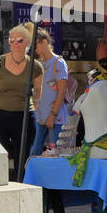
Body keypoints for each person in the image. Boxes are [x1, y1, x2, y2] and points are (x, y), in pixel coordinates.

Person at [0, 25, 43, 171]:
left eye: (19, 40)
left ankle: (20, 184)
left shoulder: (36, 66)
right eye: (11, 40)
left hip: (24, 114)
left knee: (23, 155)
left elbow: (39, 91)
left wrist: (39, 112)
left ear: (27, 42)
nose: (15, 43)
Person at [31, 28, 69, 156]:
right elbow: (36, 89)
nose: (33, 48)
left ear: (44, 42)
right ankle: (31, 175)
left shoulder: (58, 63)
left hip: (55, 117)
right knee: (35, 150)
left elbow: (61, 91)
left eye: (35, 44)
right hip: (41, 116)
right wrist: (37, 109)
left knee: (55, 153)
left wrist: (52, 115)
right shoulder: (38, 64)